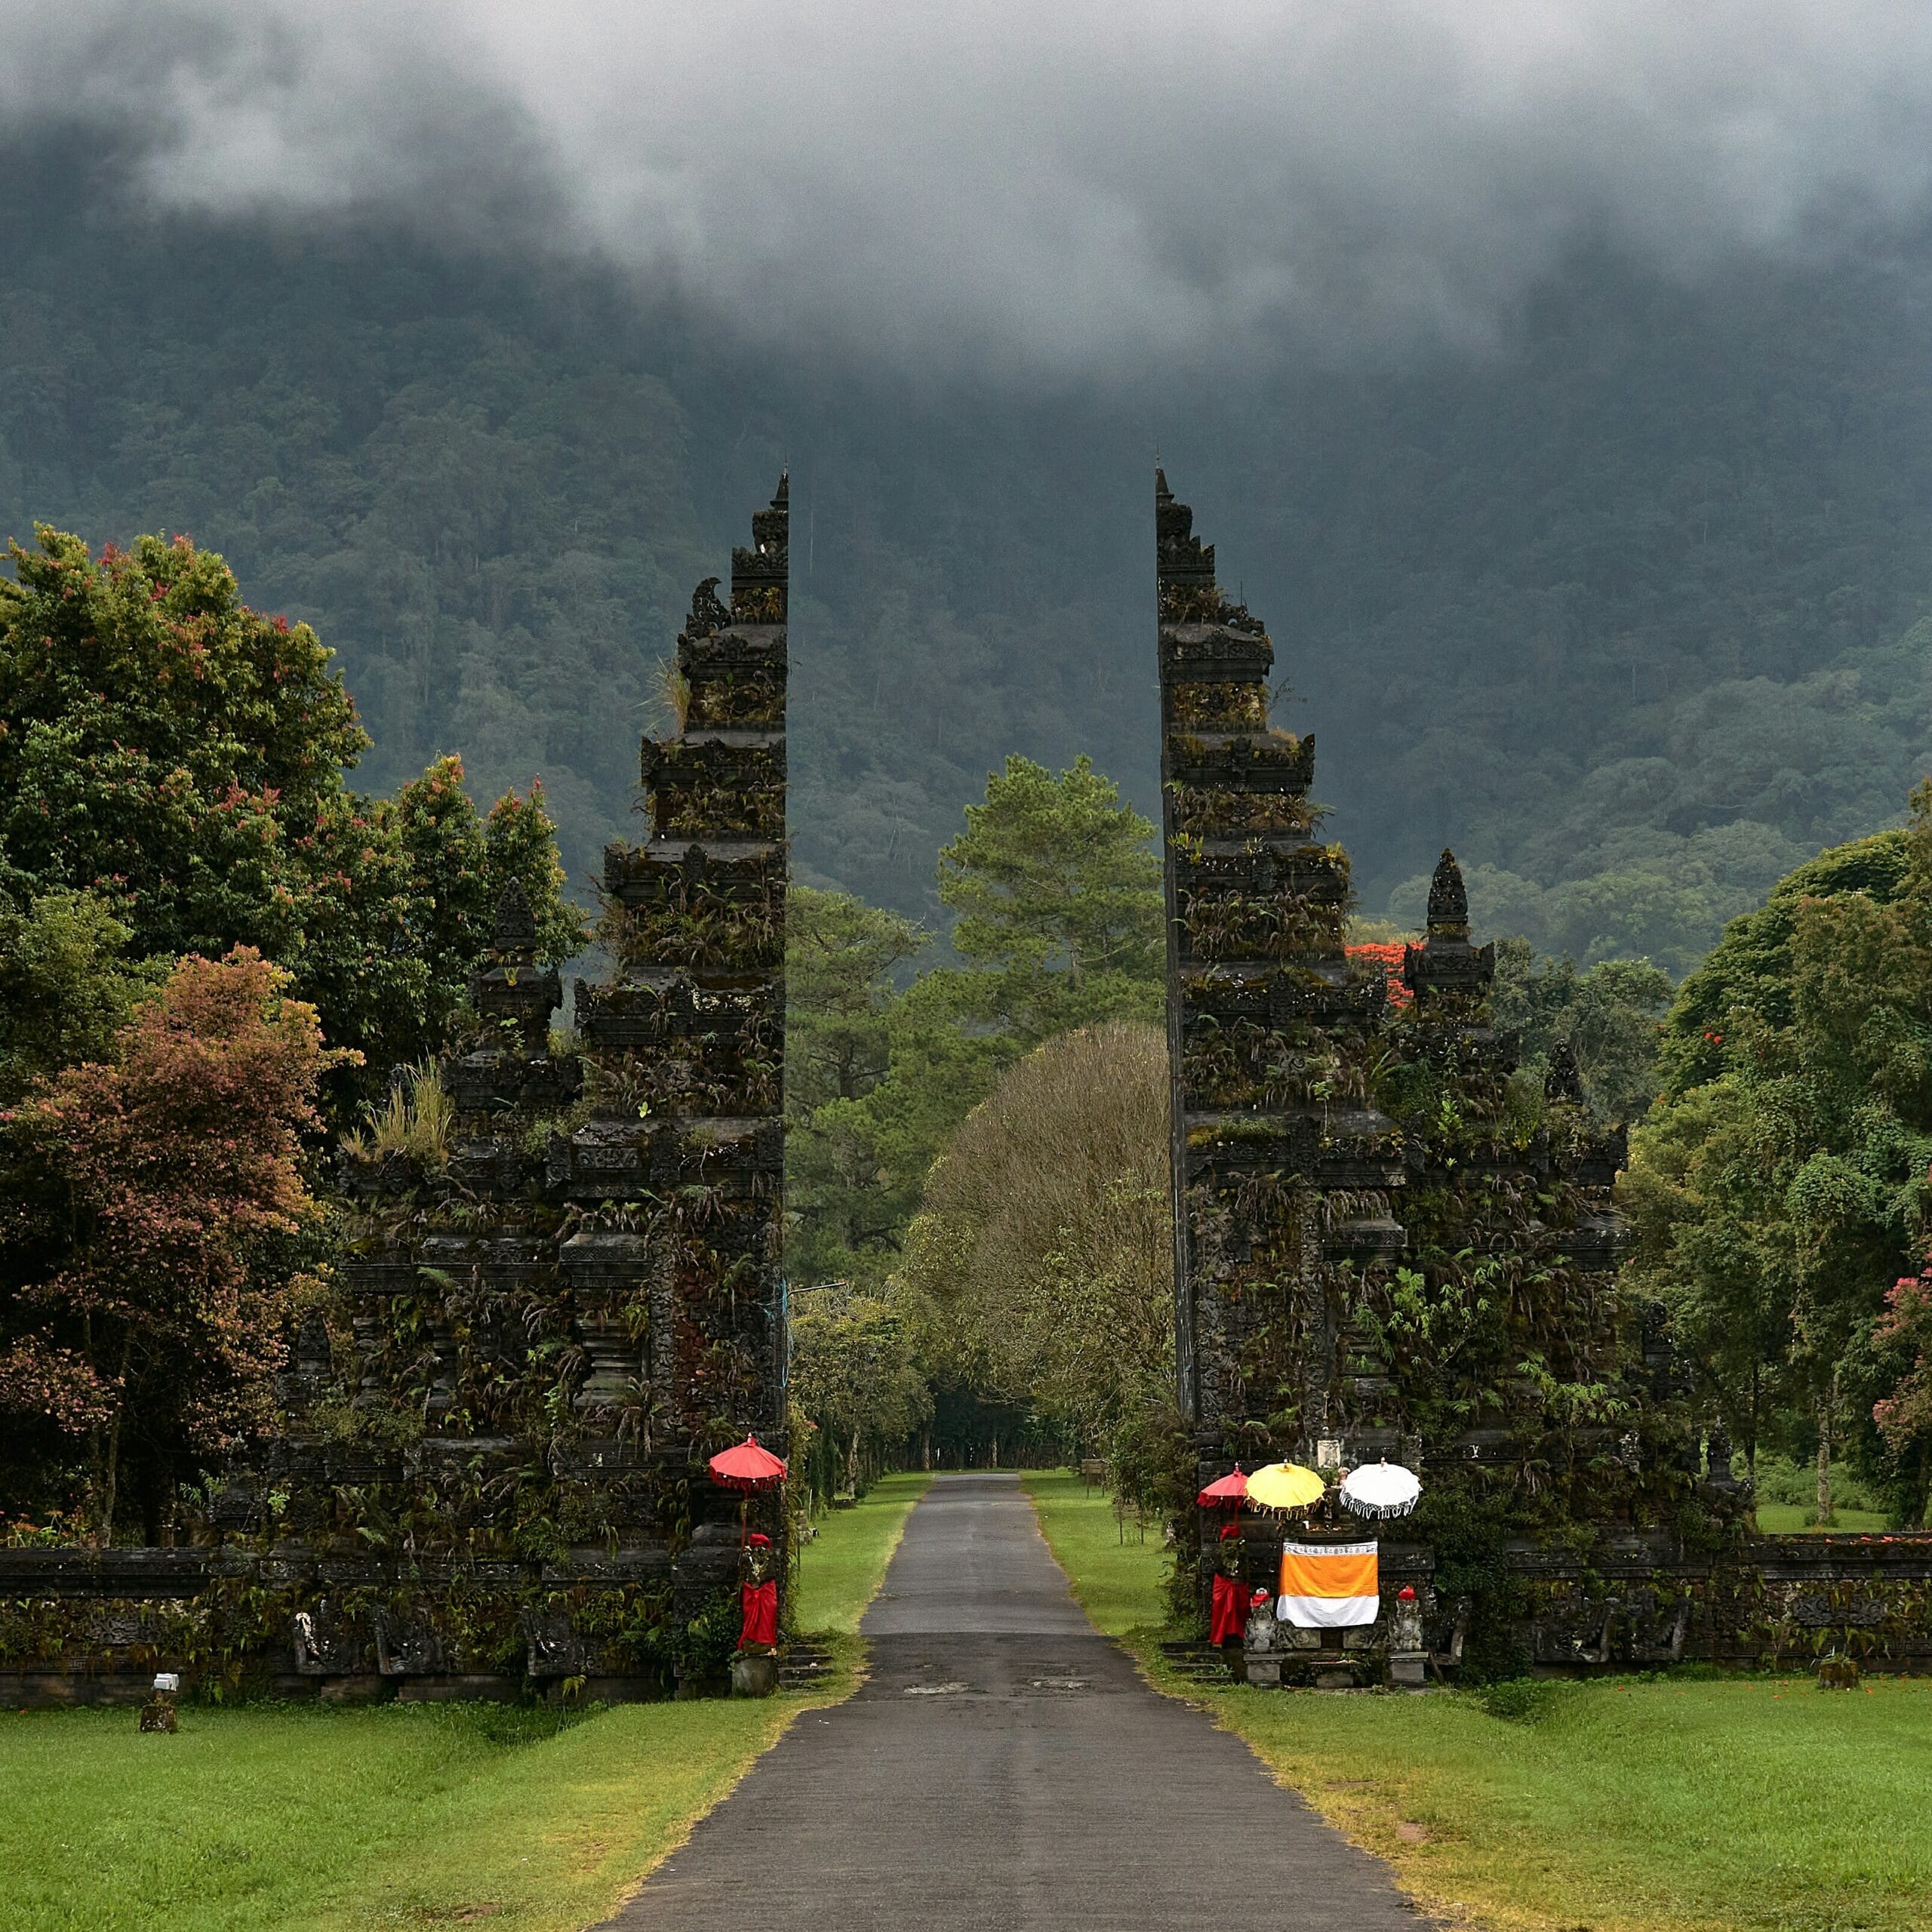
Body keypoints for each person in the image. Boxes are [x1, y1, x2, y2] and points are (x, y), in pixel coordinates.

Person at [1208, 1521, 1247, 1646]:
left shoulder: (1242, 1550)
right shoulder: (1221, 1551)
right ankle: (1220, 1636)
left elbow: (1244, 1566)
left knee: (1241, 1606)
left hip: (1238, 1582)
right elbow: (1218, 1566)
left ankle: (1238, 1633)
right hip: (1222, 1583)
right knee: (1220, 1607)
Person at [738, 1531, 779, 1653]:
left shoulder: (768, 1558)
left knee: (767, 1618)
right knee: (751, 1619)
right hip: (752, 1591)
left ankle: (766, 1643)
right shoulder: (747, 1557)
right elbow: (744, 1572)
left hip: (765, 1591)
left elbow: (771, 1573)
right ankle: (752, 1642)